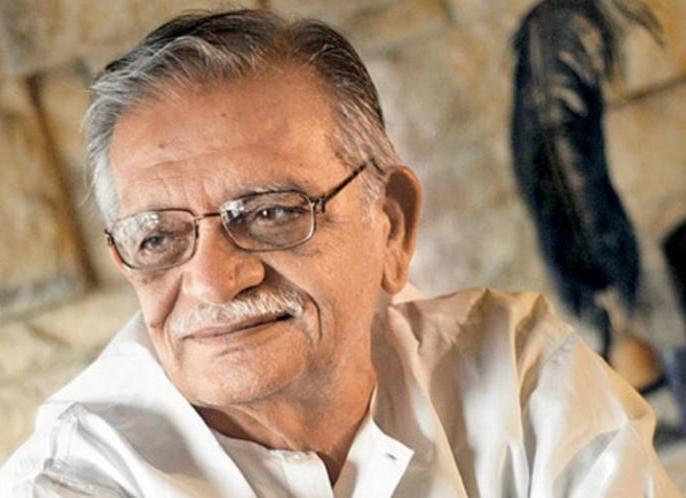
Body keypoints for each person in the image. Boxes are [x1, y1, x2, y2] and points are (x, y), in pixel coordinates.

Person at [0, 8, 680, 498]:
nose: (211, 281)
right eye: (158, 237)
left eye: (271, 212)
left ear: (391, 224)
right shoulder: (72, 483)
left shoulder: (518, 373)